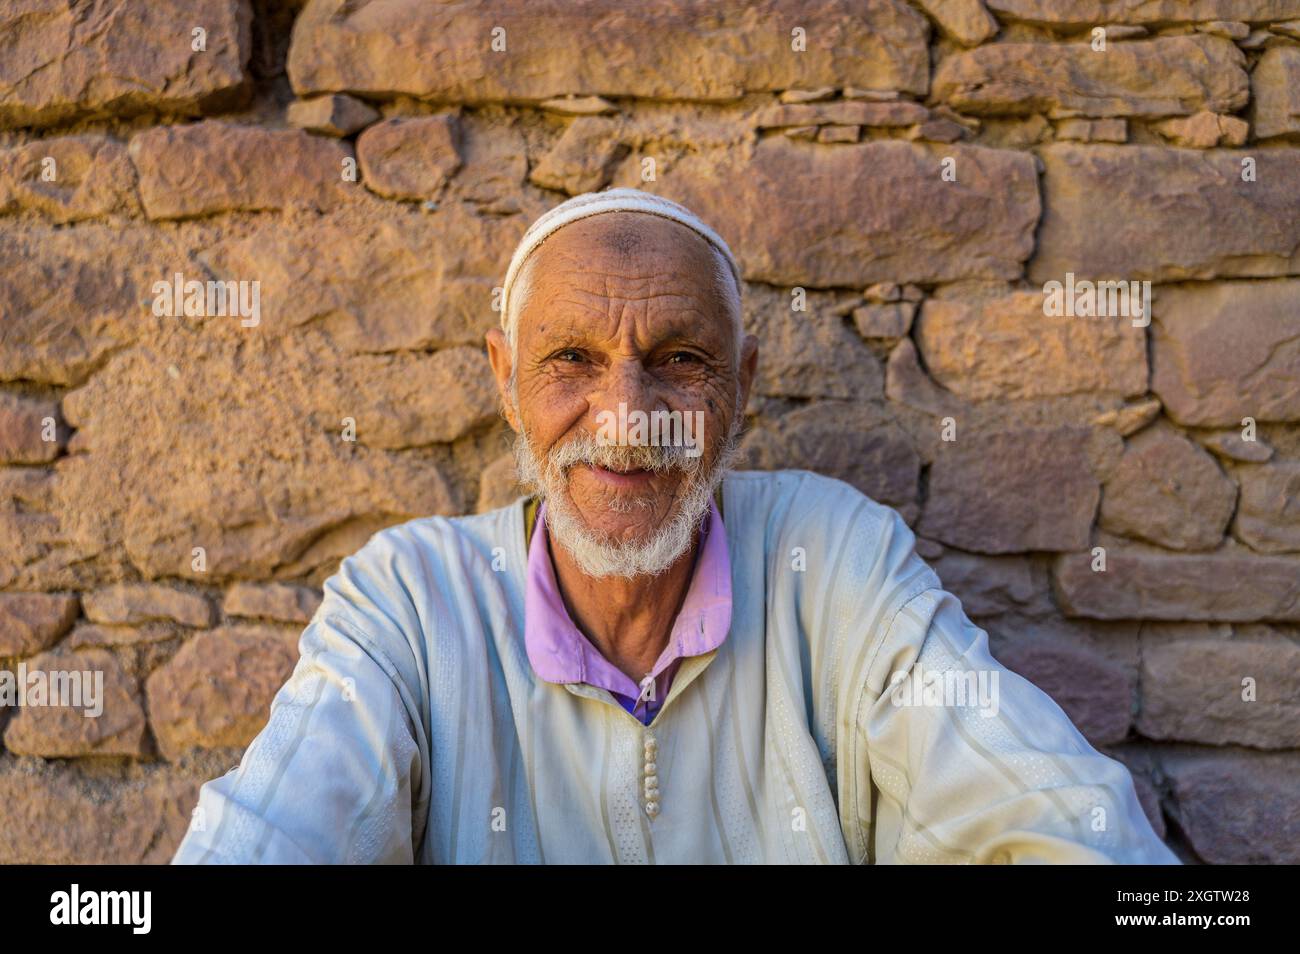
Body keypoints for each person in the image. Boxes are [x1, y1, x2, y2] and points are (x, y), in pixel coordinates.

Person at [171, 188, 1178, 864]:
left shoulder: (831, 561)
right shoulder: (408, 601)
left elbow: (1053, 816)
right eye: (570, 359)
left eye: (680, 361)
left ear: (741, 385)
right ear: (504, 383)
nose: (627, 416)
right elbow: (269, 831)